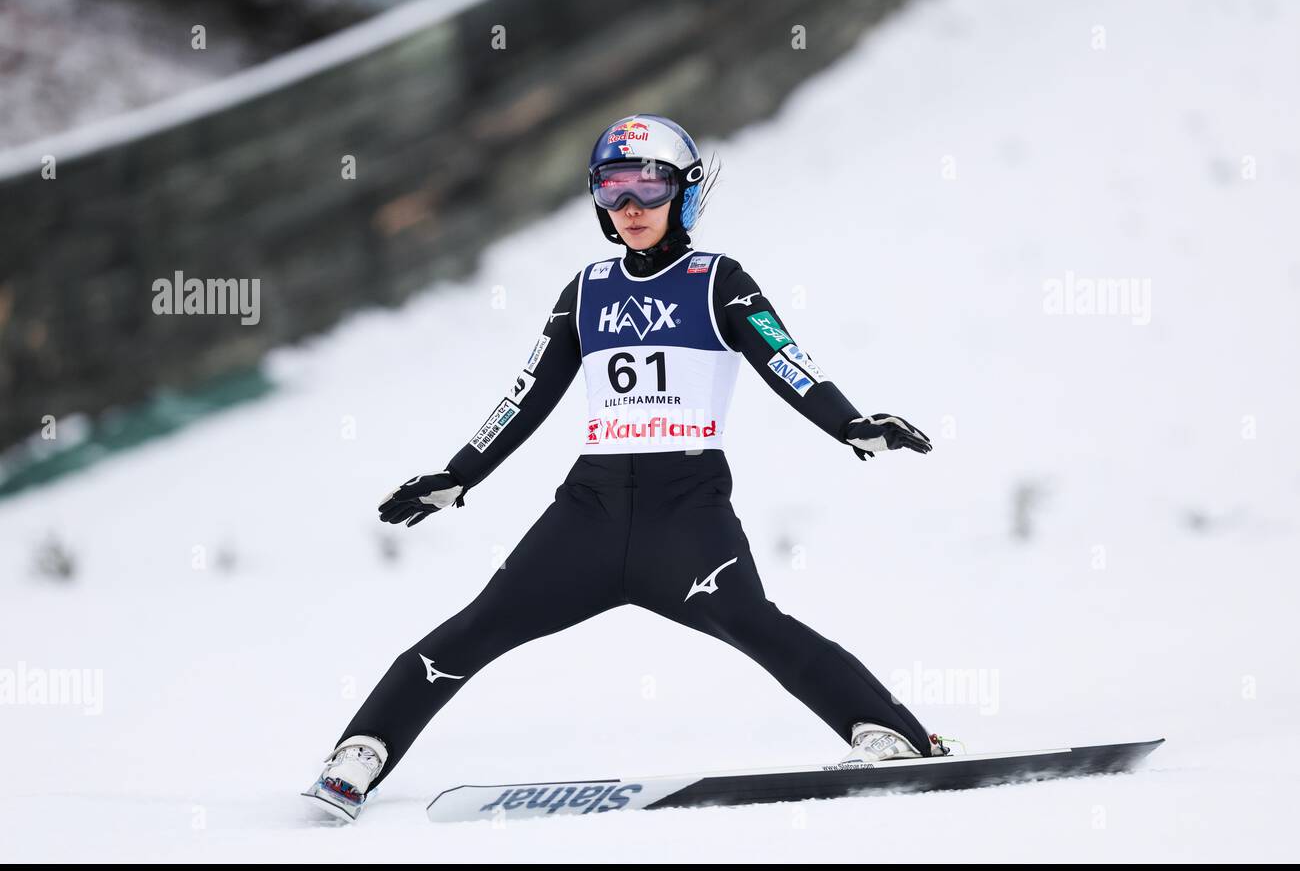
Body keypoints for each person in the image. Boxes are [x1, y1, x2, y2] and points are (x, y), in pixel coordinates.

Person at [304, 114, 948, 822]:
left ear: (687, 194)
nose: (631, 207)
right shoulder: (586, 290)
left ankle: (894, 736)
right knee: (476, 626)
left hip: (687, 511)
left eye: (650, 186)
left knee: (757, 625)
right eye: (613, 190)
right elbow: (528, 393)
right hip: (589, 513)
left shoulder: (718, 280)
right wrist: (459, 475)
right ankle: (359, 753)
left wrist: (849, 423)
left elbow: (783, 356)